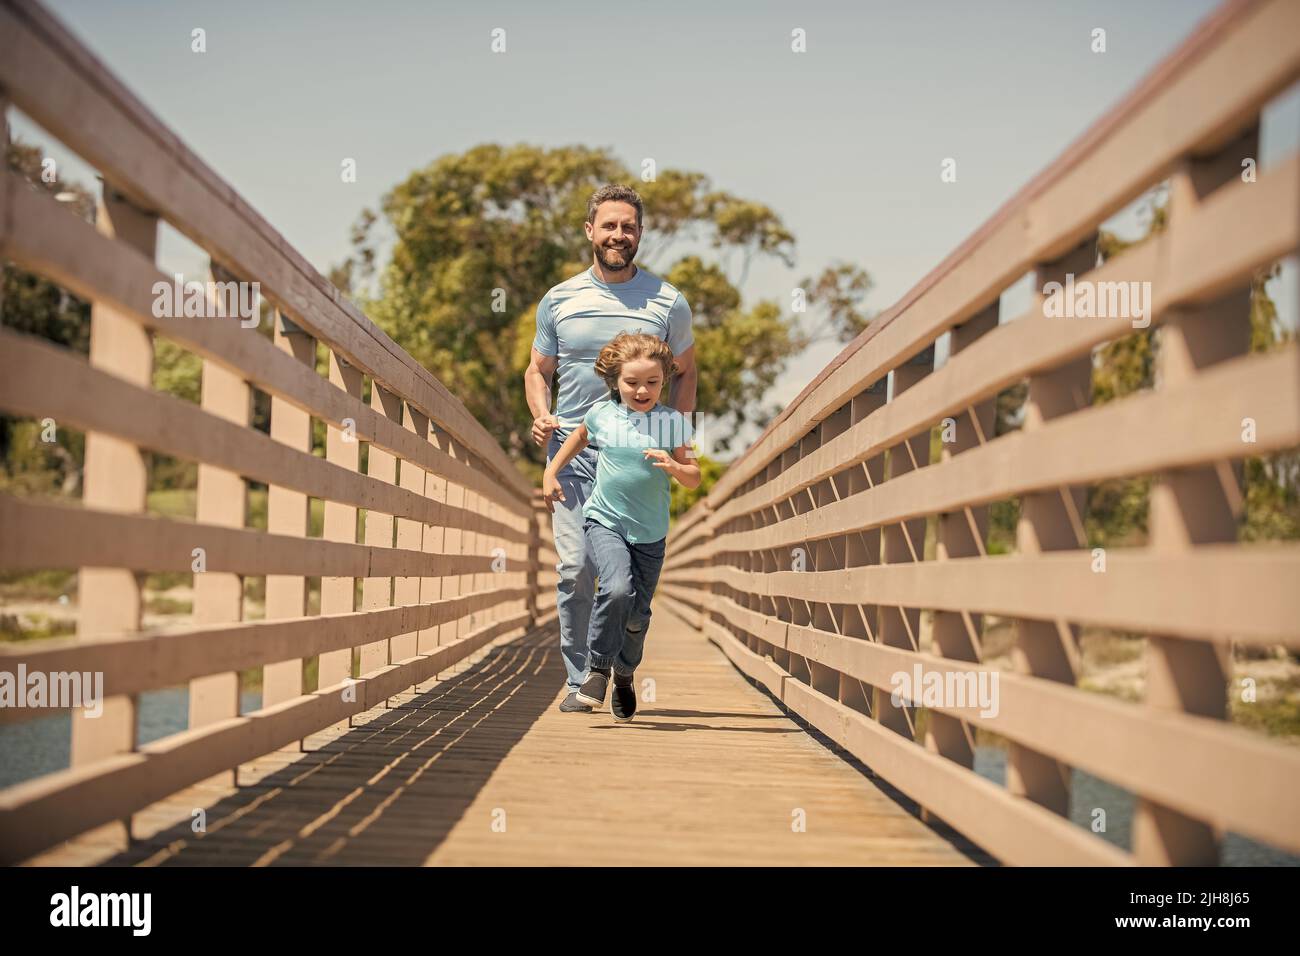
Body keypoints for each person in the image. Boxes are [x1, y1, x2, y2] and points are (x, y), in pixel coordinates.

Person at [524, 184, 697, 712]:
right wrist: (541, 415)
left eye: (628, 226)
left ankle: (619, 666)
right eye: (609, 225)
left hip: (637, 458)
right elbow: (537, 370)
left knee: (629, 595)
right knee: (576, 569)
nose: (618, 235)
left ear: (640, 234)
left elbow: (687, 374)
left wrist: (679, 439)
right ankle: (581, 680)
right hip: (576, 451)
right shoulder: (559, 299)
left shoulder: (668, 301)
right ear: (590, 231)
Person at [541, 332, 701, 720]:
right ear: (615, 381)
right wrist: (551, 472)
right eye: (632, 383)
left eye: (652, 382)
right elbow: (576, 437)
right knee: (614, 589)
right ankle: (597, 671)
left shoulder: (674, 424)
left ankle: (625, 674)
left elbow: (694, 476)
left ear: (664, 380)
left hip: (650, 532)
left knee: (637, 615)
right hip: (605, 520)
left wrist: (676, 467)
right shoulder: (601, 415)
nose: (642, 390)